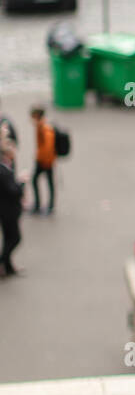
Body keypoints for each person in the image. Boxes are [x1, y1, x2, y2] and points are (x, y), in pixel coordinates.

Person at [0, 134, 25, 277]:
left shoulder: (5, 169)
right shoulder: (4, 172)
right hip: (8, 211)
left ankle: (8, 267)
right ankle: (3, 261)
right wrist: (21, 182)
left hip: (6, 210)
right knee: (15, 238)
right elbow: (14, 191)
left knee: (8, 238)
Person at [29, 106, 56, 215]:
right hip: (43, 159)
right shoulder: (40, 126)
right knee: (45, 181)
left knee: (41, 181)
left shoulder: (45, 128)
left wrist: (45, 160)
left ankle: (47, 206)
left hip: (45, 161)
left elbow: (48, 147)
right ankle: (43, 205)